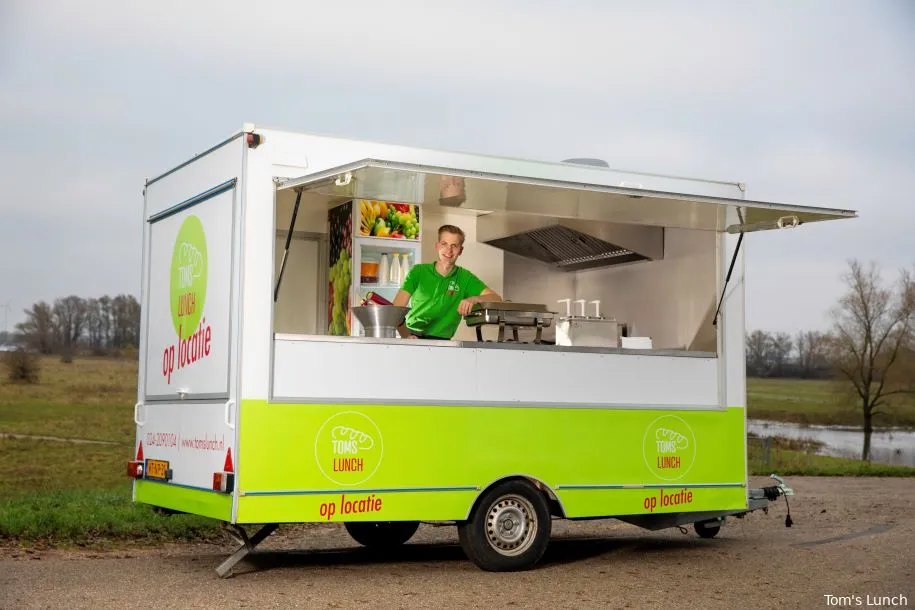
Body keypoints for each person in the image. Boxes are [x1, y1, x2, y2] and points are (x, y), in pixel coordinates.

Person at [392, 224, 501, 340]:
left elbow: (496, 298)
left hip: (442, 342)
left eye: (454, 246)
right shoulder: (418, 272)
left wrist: (474, 299)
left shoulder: (465, 278)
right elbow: (396, 310)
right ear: (437, 246)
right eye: (444, 244)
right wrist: (406, 336)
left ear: (460, 250)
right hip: (412, 337)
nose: (449, 250)